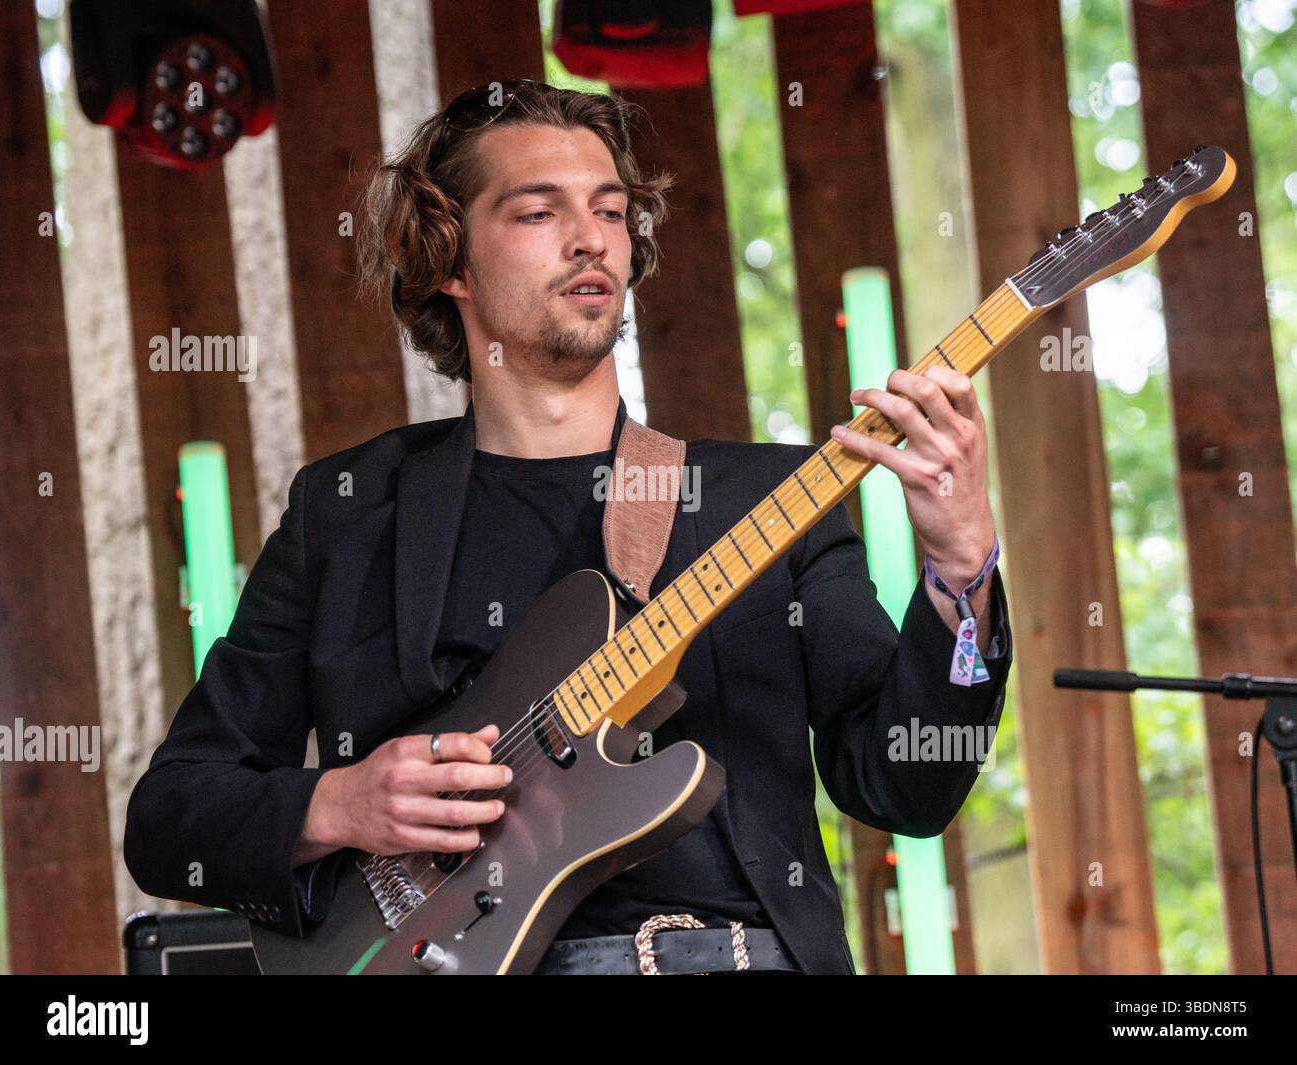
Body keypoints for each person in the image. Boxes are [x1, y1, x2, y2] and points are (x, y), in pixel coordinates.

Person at [124, 79, 1012, 976]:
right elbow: (171, 817)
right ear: (448, 261)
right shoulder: (349, 512)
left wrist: (962, 574)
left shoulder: (763, 499)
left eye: (612, 210)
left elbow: (910, 785)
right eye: (539, 212)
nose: (592, 238)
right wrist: (340, 803)